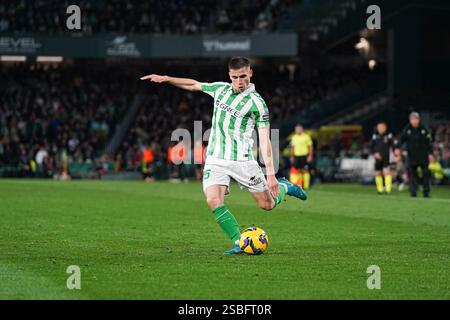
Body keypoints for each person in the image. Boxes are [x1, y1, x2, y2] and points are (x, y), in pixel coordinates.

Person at [140, 56, 307, 255]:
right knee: (213, 200)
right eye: (235, 77)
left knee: (267, 204)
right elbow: (194, 84)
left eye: (243, 76)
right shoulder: (220, 89)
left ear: (250, 73)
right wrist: (166, 78)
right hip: (216, 158)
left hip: (242, 160)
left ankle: (284, 187)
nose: (239, 81)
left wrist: (270, 174)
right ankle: (239, 241)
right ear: (230, 75)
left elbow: (265, 140)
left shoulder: (257, 104)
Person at [395, 112, 433, 198]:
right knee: (412, 175)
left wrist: (430, 153)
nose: (414, 121)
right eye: (412, 119)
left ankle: (426, 192)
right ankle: (413, 192)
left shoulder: (424, 129)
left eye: (415, 119)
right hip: (412, 156)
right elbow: (401, 139)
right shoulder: (407, 129)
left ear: (418, 119)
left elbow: (429, 142)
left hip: (423, 156)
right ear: (410, 120)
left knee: (426, 174)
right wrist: (397, 148)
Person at [371, 121, 394, 194]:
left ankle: (388, 189)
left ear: (385, 128)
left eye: (382, 127)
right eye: (379, 127)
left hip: (386, 157)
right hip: (377, 157)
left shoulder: (389, 136)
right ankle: (380, 189)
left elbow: (393, 146)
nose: (380, 129)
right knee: (378, 173)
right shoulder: (375, 136)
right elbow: (372, 147)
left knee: (386, 172)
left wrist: (395, 153)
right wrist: (375, 153)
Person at [289, 125, 313, 190]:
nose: (298, 130)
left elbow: (310, 147)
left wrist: (310, 155)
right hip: (296, 156)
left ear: (302, 129)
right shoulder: (293, 137)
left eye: (299, 129)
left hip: (304, 156)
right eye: (297, 129)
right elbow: (292, 147)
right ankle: (300, 185)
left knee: (305, 170)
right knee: (298, 171)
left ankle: (306, 186)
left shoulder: (306, 137)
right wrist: (291, 156)